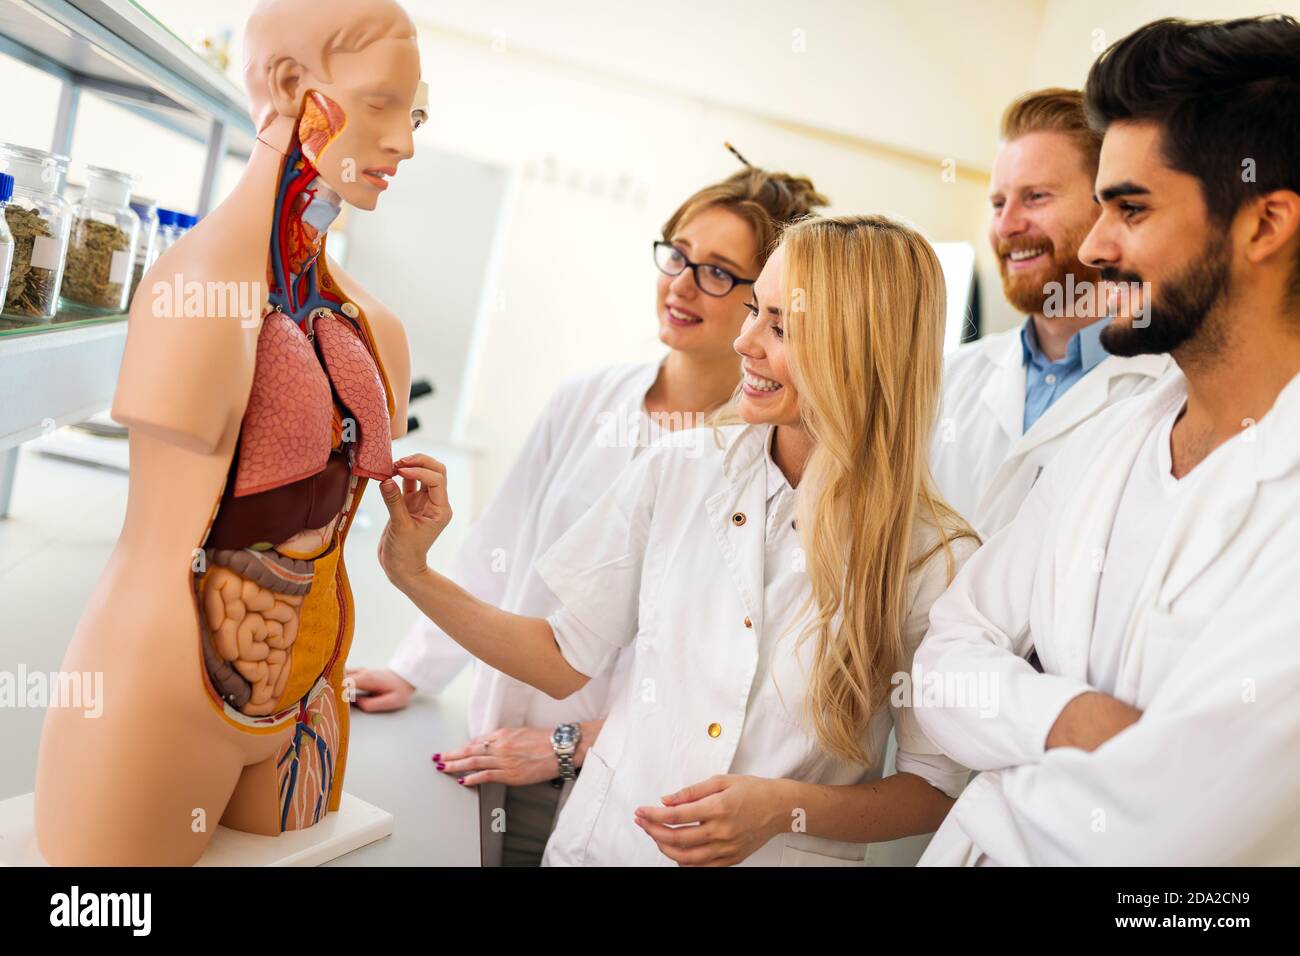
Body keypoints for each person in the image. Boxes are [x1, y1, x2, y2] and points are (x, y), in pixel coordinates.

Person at [375, 214, 978, 866]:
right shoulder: (681, 469)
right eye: (753, 311)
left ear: (860, 354)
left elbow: (933, 788)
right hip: (605, 850)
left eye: (781, 327)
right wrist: (414, 572)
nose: (746, 341)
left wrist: (783, 807)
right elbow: (560, 657)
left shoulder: (932, 556)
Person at [349, 163, 828, 865]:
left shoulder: (761, 461)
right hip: (501, 739)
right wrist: (416, 668)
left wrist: (567, 746)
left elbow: (722, 682)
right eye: (678, 254)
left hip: (620, 783)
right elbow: (500, 545)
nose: (683, 284)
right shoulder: (589, 398)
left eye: (720, 272)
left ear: (772, 300)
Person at [914, 15, 1300, 865]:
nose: (1093, 247)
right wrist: (1063, 718)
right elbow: (945, 654)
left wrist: (994, 786)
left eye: (1130, 208)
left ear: (1264, 224)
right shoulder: (1113, 430)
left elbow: (1169, 833)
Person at [932, 88, 1172, 536]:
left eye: (1036, 197)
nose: (1006, 225)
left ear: (1107, 205)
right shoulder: (948, 380)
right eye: (999, 203)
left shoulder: (1169, 390)